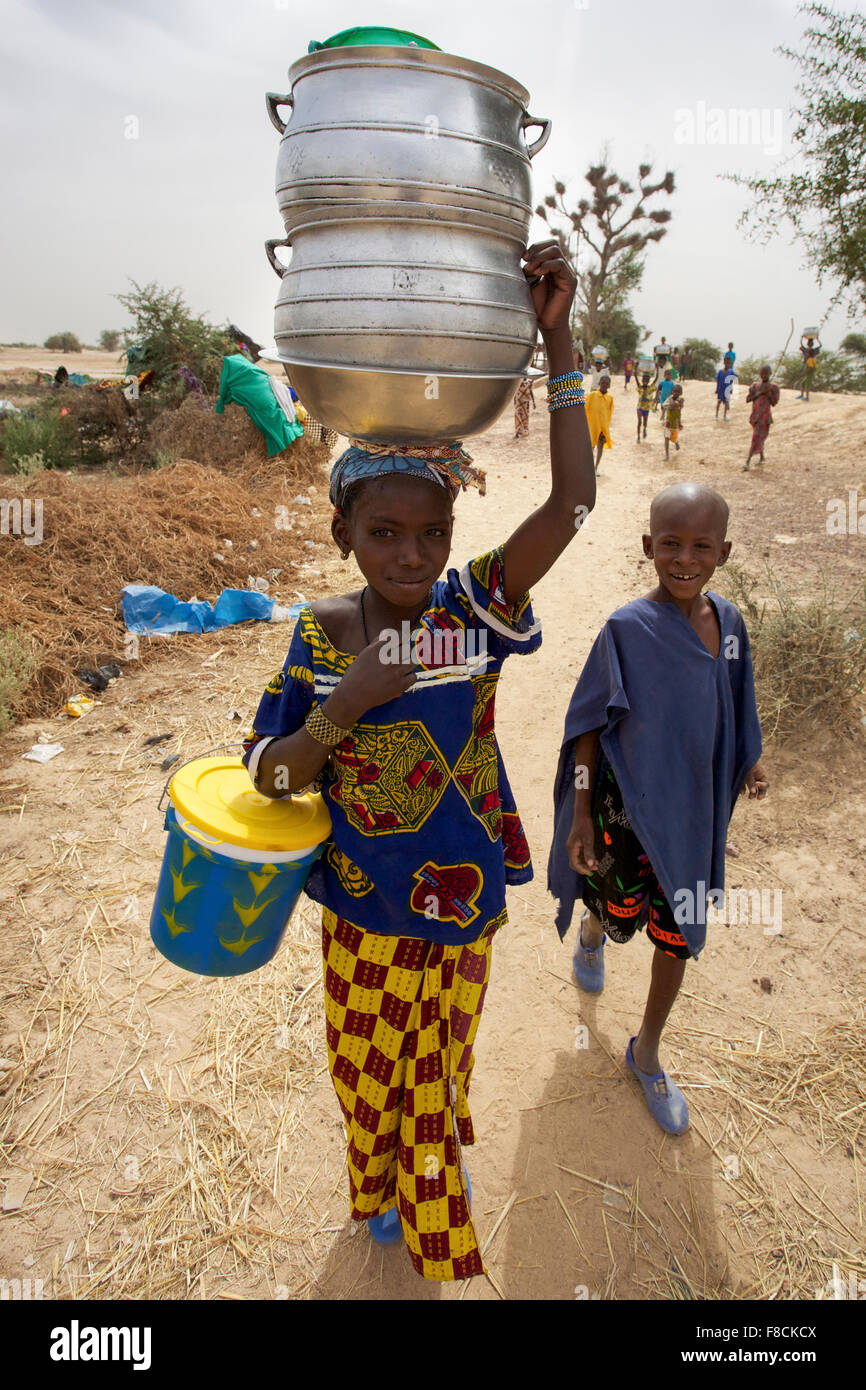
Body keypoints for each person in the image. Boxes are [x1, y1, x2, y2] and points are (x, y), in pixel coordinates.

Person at [242, 239, 595, 1282]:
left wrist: (556, 333)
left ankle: (429, 1179)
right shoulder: (315, 636)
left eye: (430, 532)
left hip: (457, 901)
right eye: (383, 531)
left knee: (438, 1072)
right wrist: (340, 711)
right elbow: (267, 778)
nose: (408, 555)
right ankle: (378, 1189)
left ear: (451, 533)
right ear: (342, 525)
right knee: (365, 1077)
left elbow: (571, 506)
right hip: (360, 911)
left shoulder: (470, 611)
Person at [547, 483, 767, 1133]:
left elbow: (734, 699)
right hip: (625, 815)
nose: (684, 558)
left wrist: (749, 759)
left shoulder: (728, 626)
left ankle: (646, 1050)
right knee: (613, 912)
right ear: (649, 545)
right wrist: (582, 812)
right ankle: (592, 938)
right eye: (670, 543)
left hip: (691, 816)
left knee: (677, 935)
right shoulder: (626, 631)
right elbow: (588, 725)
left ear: (723, 552)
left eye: (701, 546)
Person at [744, 366, 780, 470]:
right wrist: (760, 393)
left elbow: (774, 403)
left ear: (770, 373)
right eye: (762, 373)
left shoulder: (773, 387)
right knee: (759, 437)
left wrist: (768, 394)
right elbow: (748, 399)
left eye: (766, 373)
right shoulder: (755, 386)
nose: (764, 375)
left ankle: (748, 461)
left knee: (756, 437)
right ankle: (762, 457)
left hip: (765, 417)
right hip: (755, 416)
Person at [585, 373, 614, 474]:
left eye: (607, 383)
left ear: (609, 385)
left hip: (603, 427)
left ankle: (595, 468)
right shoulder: (592, 395)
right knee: (590, 448)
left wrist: (606, 428)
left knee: (600, 448)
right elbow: (585, 409)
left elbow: (609, 413)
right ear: (599, 383)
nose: (604, 385)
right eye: (603, 383)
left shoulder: (610, 398)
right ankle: (588, 467)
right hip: (592, 426)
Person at [797, 334, 821, 401]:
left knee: (806, 384)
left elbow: (810, 369)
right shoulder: (811, 352)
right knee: (803, 383)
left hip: (808, 369)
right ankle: (802, 395)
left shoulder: (810, 356)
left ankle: (806, 397)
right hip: (806, 366)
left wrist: (804, 373)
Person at [635, 369, 656, 442]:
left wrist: (657, 369)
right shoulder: (640, 387)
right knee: (639, 422)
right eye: (644, 379)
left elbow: (656, 379)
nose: (645, 381)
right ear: (642, 380)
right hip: (639, 407)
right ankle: (638, 437)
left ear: (649, 380)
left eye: (647, 379)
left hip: (646, 409)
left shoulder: (650, 388)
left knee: (644, 423)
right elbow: (635, 377)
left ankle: (644, 429)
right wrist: (636, 368)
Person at [663, 384, 683, 460]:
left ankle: (676, 442)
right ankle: (667, 455)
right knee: (666, 438)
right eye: (674, 391)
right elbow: (664, 405)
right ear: (672, 392)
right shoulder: (669, 399)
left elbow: (679, 404)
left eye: (678, 392)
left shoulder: (681, 400)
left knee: (673, 438)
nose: (676, 393)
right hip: (668, 422)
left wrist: (672, 404)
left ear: (680, 393)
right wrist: (670, 404)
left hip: (675, 424)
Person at [715, 353, 737, 420]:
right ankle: (716, 415)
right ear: (724, 363)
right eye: (726, 363)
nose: (727, 364)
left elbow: (733, 379)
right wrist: (716, 389)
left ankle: (724, 416)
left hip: (727, 389)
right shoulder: (720, 371)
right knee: (719, 402)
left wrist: (731, 388)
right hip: (721, 388)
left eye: (729, 363)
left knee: (726, 402)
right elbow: (718, 380)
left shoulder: (731, 372)